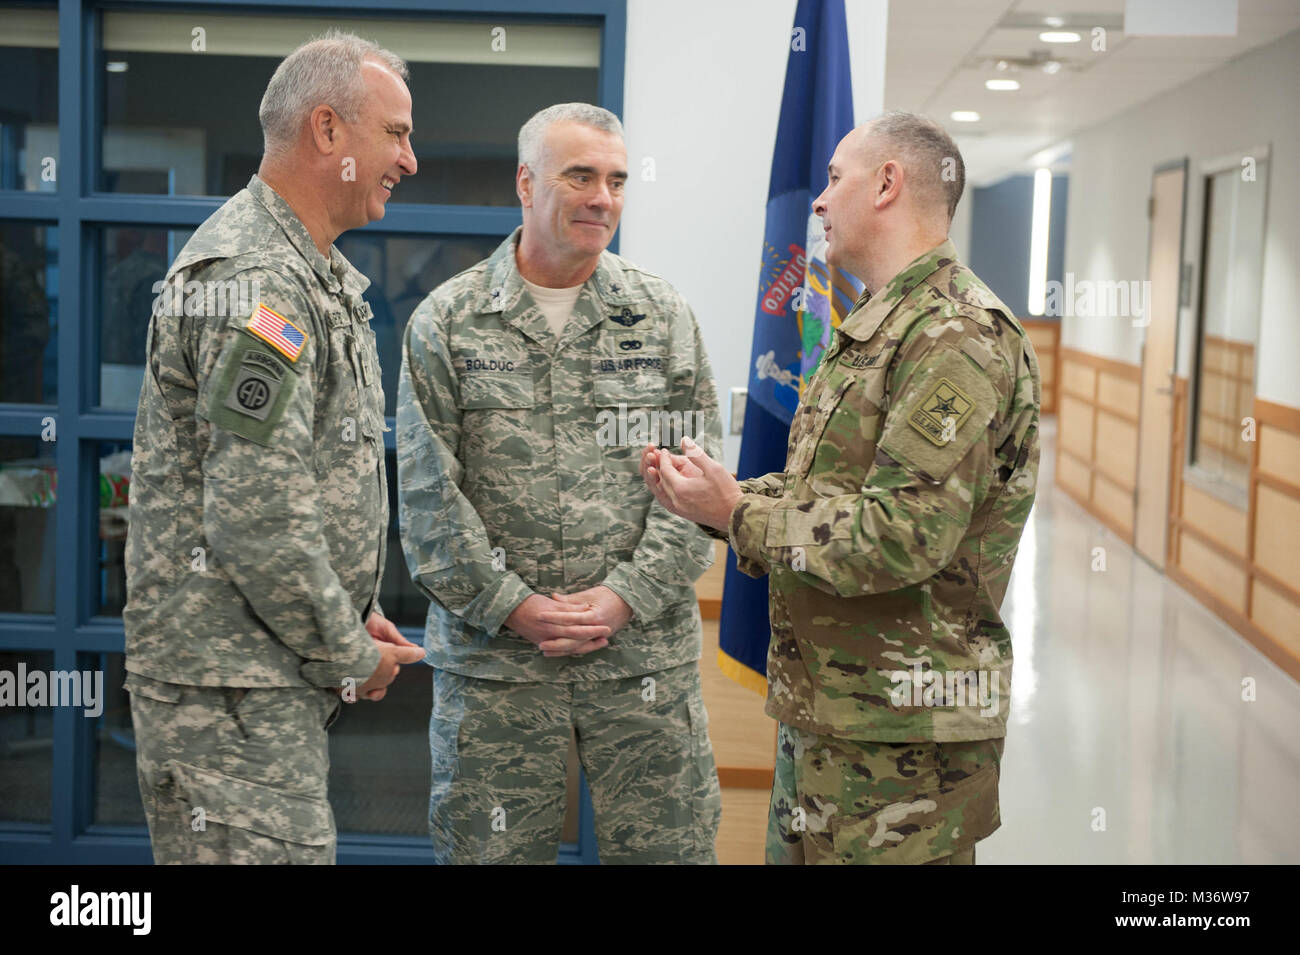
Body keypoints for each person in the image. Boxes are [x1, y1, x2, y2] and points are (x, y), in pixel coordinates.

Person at [642, 111, 1041, 865]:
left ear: (888, 183)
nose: (818, 202)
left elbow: (902, 532)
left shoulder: (953, 334)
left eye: (834, 179)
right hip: (833, 716)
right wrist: (722, 498)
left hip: (902, 748)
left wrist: (738, 514)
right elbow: (826, 491)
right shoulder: (878, 325)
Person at [123, 31, 424, 865]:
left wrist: (345, 605)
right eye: (395, 133)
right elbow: (256, 515)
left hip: (257, 683)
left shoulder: (308, 271)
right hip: (228, 697)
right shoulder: (259, 279)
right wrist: (349, 650)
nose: (409, 157)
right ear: (328, 131)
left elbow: (300, 483)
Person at [398, 102, 723, 864]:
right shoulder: (448, 321)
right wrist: (515, 607)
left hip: (640, 661)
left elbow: (699, 490)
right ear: (525, 182)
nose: (602, 197)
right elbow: (426, 496)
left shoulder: (661, 314)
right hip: (496, 667)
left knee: (668, 855)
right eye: (579, 175)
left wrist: (622, 597)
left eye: (615, 179)